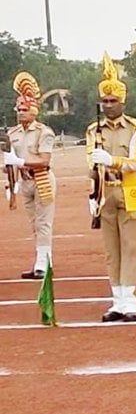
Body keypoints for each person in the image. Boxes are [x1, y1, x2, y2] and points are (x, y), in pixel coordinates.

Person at [87, 53, 136, 322]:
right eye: (105, 101)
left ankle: (131, 300)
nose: (108, 105)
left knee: (131, 246)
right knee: (111, 249)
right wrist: (92, 195)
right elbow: (91, 165)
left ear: (123, 101)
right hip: (105, 191)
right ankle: (117, 300)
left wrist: (112, 160)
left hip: (129, 188)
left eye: (113, 101)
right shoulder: (94, 130)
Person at [5, 72, 57, 279]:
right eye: (19, 109)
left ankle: (42, 264)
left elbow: (44, 160)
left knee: (44, 223)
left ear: (34, 112)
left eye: (25, 109)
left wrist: (19, 162)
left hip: (42, 179)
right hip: (24, 181)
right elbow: (8, 162)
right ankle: (42, 259)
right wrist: (9, 177)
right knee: (35, 223)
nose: (21, 113)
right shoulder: (13, 133)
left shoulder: (44, 132)